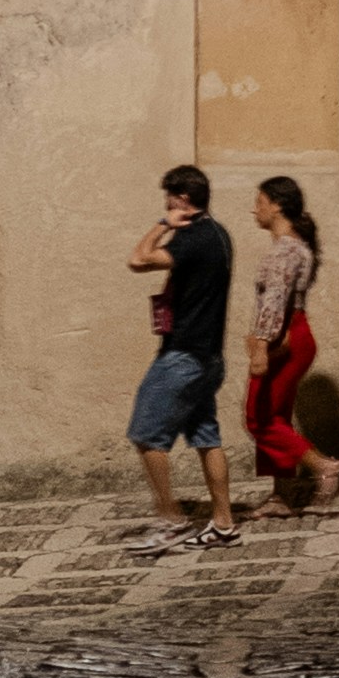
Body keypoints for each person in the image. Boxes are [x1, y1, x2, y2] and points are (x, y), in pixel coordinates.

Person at [125, 164, 239, 554]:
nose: (166, 204)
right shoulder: (219, 234)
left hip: (183, 357)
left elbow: (138, 260)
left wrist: (163, 223)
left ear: (183, 200)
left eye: (169, 198)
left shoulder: (192, 239)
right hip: (208, 357)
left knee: (145, 434)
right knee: (207, 437)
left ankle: (170, 518)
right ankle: (223, 523)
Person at [243, 174, 339, 515]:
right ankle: (281, 496)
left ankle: (321, 466)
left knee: (259, 419)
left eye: (259, 202)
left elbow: (275, 301)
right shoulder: (297, 247)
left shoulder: (286, 250)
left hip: (284, 335)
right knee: (277, 415)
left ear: (277, 205)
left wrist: (260, 347)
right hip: (294, 332)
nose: (254, 210)